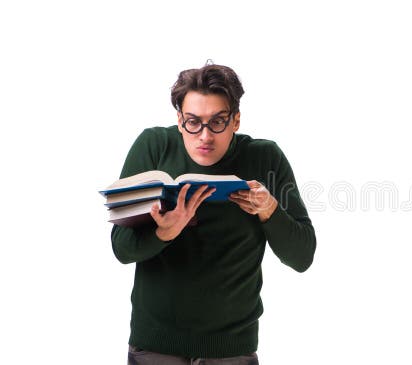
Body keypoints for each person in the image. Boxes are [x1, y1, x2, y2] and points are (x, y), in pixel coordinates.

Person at [111, 63, 316, 364]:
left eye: (218, 122)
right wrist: (164, 233)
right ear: (179, 120)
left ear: (236, 120)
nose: (204, 136)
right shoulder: (153, 146)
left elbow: (302, 257)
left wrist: (271, 211)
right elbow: (121, 249)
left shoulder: (265, 157)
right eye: (193, 122)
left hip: (232, 350)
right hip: (155, 346)